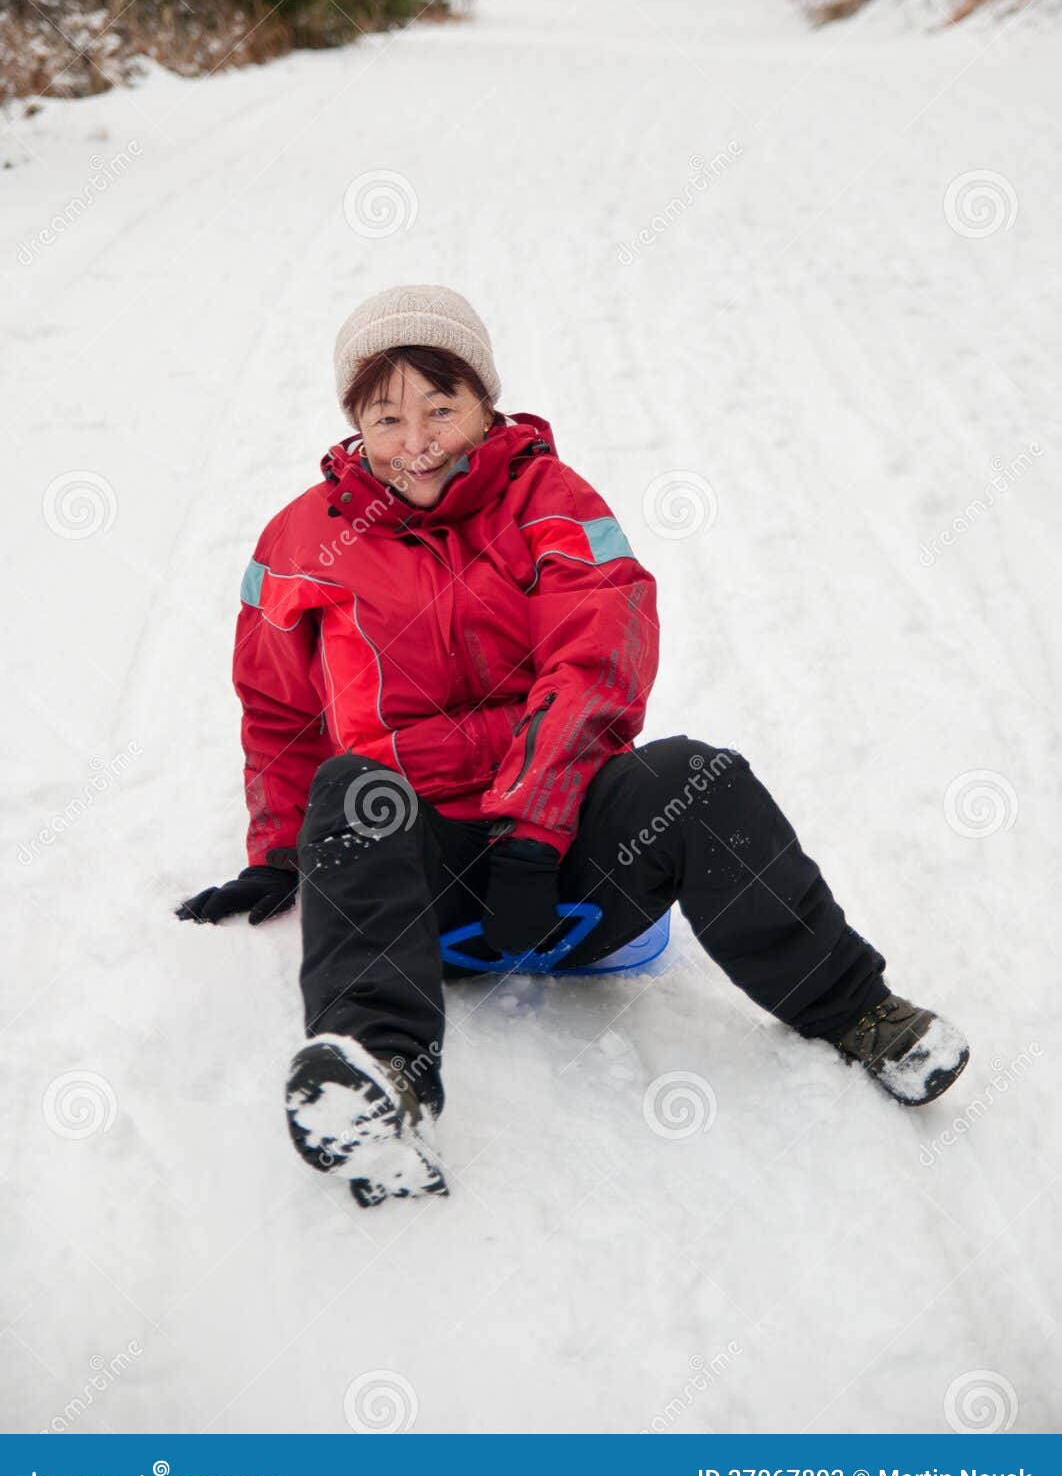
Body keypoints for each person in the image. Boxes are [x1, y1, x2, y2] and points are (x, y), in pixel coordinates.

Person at [175, 284, 970, 1207]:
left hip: (569, 874)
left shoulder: (551, 500)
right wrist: (280, 853)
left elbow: (600, 661)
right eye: (387, 417)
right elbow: (280, 713)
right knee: (355, 785)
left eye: (443, 407)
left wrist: (533, 830)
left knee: (697, 776)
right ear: (354, 423)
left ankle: (863, 1016)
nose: (418, 439)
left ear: (486, 402)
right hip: (420, 893)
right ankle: (383, 1089)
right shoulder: (302, 538)